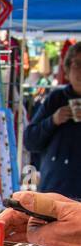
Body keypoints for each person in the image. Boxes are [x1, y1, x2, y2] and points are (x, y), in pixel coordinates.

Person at [23, 44, 81, 200]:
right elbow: (30, 141)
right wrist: (53, 121)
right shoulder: (56, 99)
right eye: (77, 64)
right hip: (55, 190)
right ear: (67, 70)